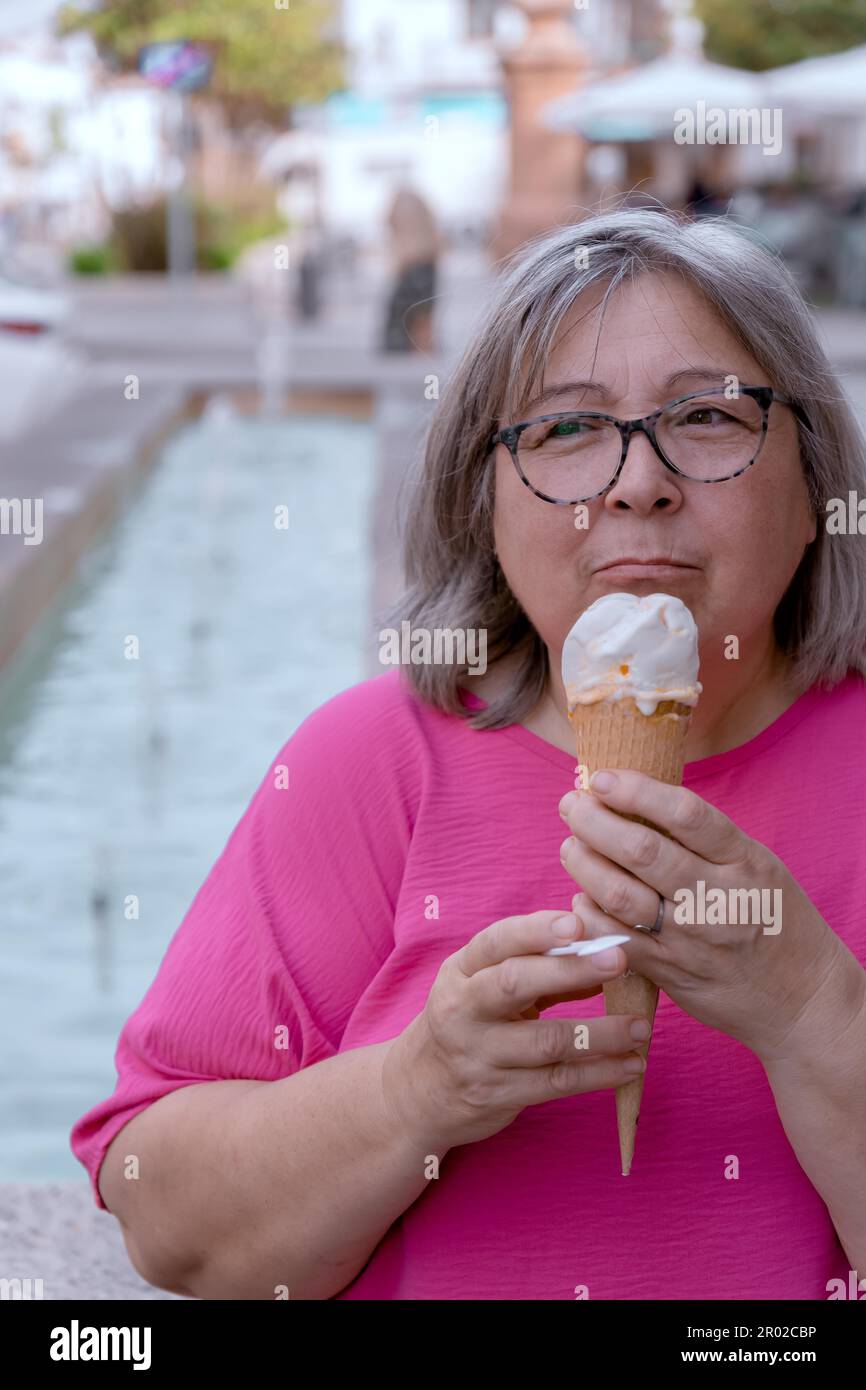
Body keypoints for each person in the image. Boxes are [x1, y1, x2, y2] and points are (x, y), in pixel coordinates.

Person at [71, 208, 866, 1301]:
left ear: (813, 473)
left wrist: (816, 1015)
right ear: (482, 498)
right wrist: (413, 1091)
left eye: (707, 416)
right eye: (563, 431)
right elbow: (166, 1223)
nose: (636, 481)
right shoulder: (371, 761)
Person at [380, 184, 442, 353]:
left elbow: (423, 330)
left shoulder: (419, 272)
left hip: (407, 371)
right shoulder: (416, 269)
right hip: (402, 367)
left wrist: (422, 376)